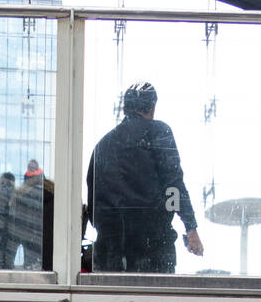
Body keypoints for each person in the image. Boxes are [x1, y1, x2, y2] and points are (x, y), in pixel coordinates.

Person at [86, 81, 204, 274]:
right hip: (152, 248)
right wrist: (191, 229)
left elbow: (93, 204)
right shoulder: (158, 132)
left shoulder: (102, 146)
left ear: (125, 107)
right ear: (152, 106)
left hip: (110, 253)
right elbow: (173, 185)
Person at [10, 159, 45, 269]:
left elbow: (14, 220)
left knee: (31, 268)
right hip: (43, 238)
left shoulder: (20, 195)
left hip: (28, 239)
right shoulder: (48, 192)